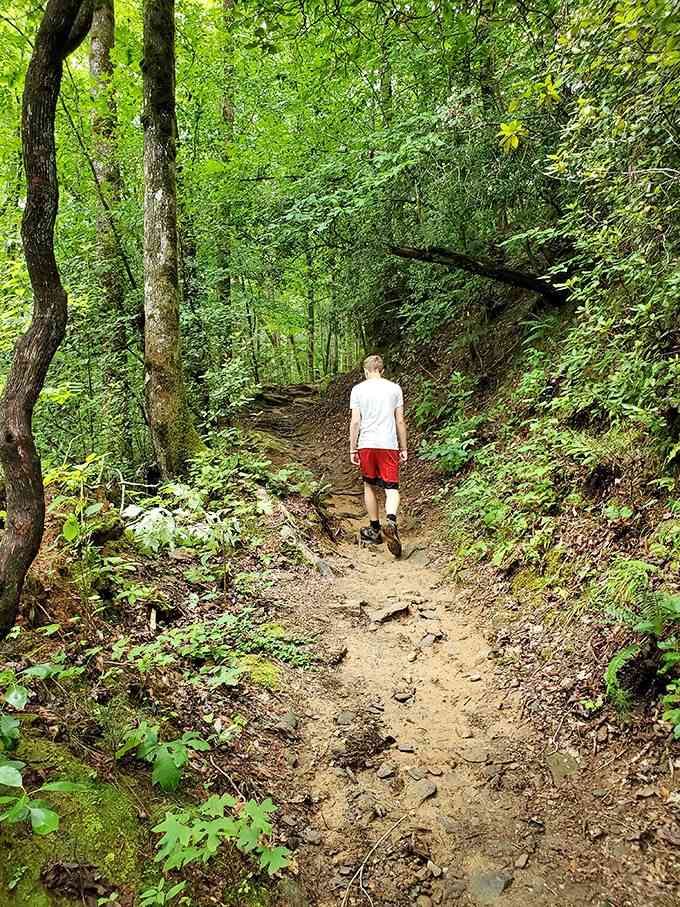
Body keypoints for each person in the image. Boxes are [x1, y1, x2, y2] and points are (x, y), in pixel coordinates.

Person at [349, 354, 408, 557]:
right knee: (392, 488)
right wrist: (403, 447)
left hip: (367, 444)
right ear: (382, 370)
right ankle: (391, 521)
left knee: (369, 485)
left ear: (366, 371)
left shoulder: (358, 390)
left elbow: (355, 422)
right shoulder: (395, 389)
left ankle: (374, 529)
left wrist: (352, 448)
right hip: (388, 444)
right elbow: (400, 421)